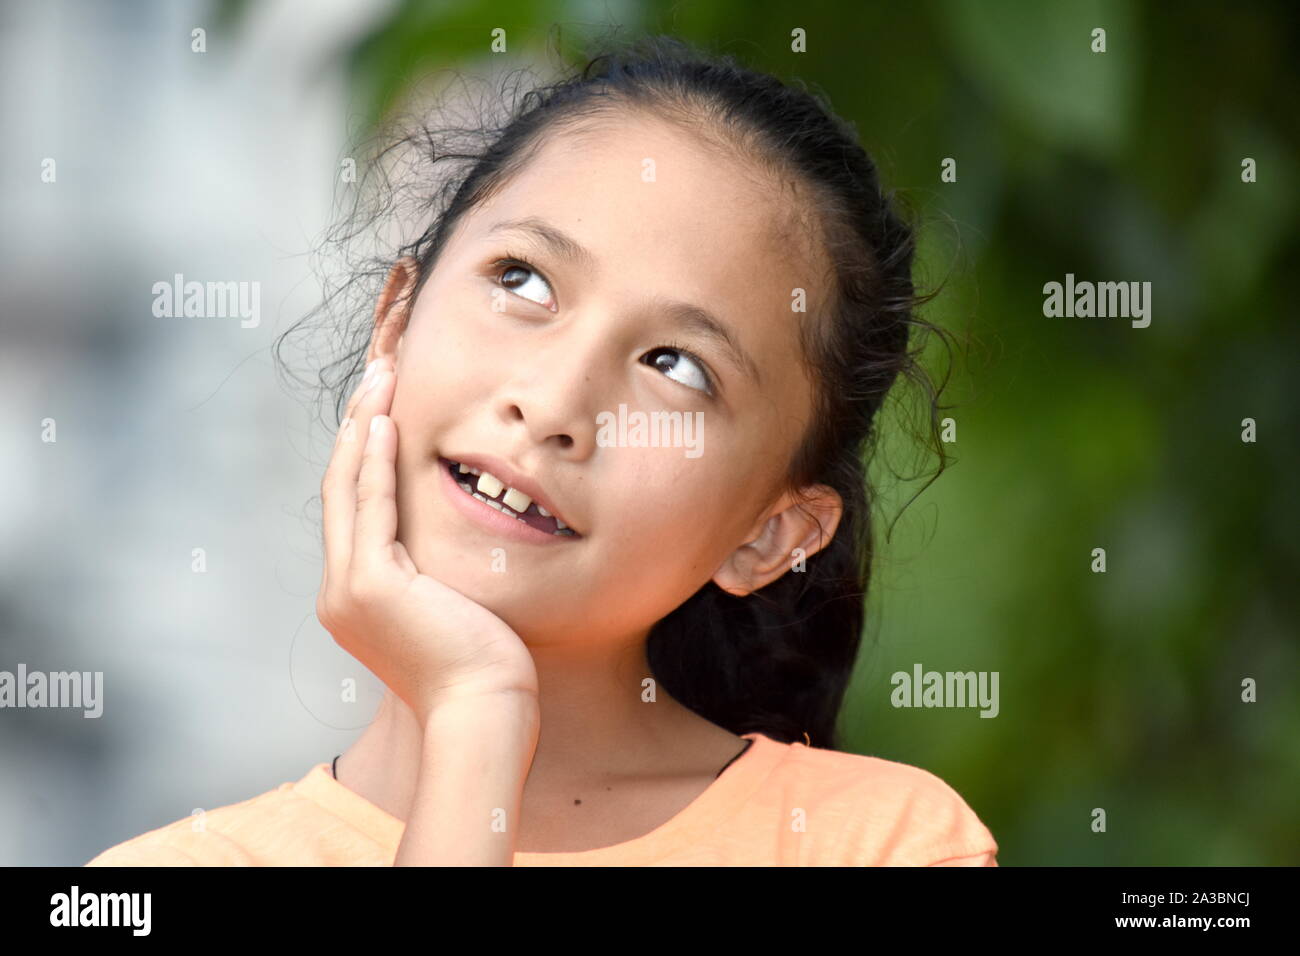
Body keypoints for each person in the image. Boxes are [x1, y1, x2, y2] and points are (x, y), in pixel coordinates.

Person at [86, 34, 997, 866]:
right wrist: (476, 719)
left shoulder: (884, 845)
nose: (555, 403)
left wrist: (478, 718)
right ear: (394, 327)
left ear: (769, 532)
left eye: (676, 366)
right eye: (521, 280)